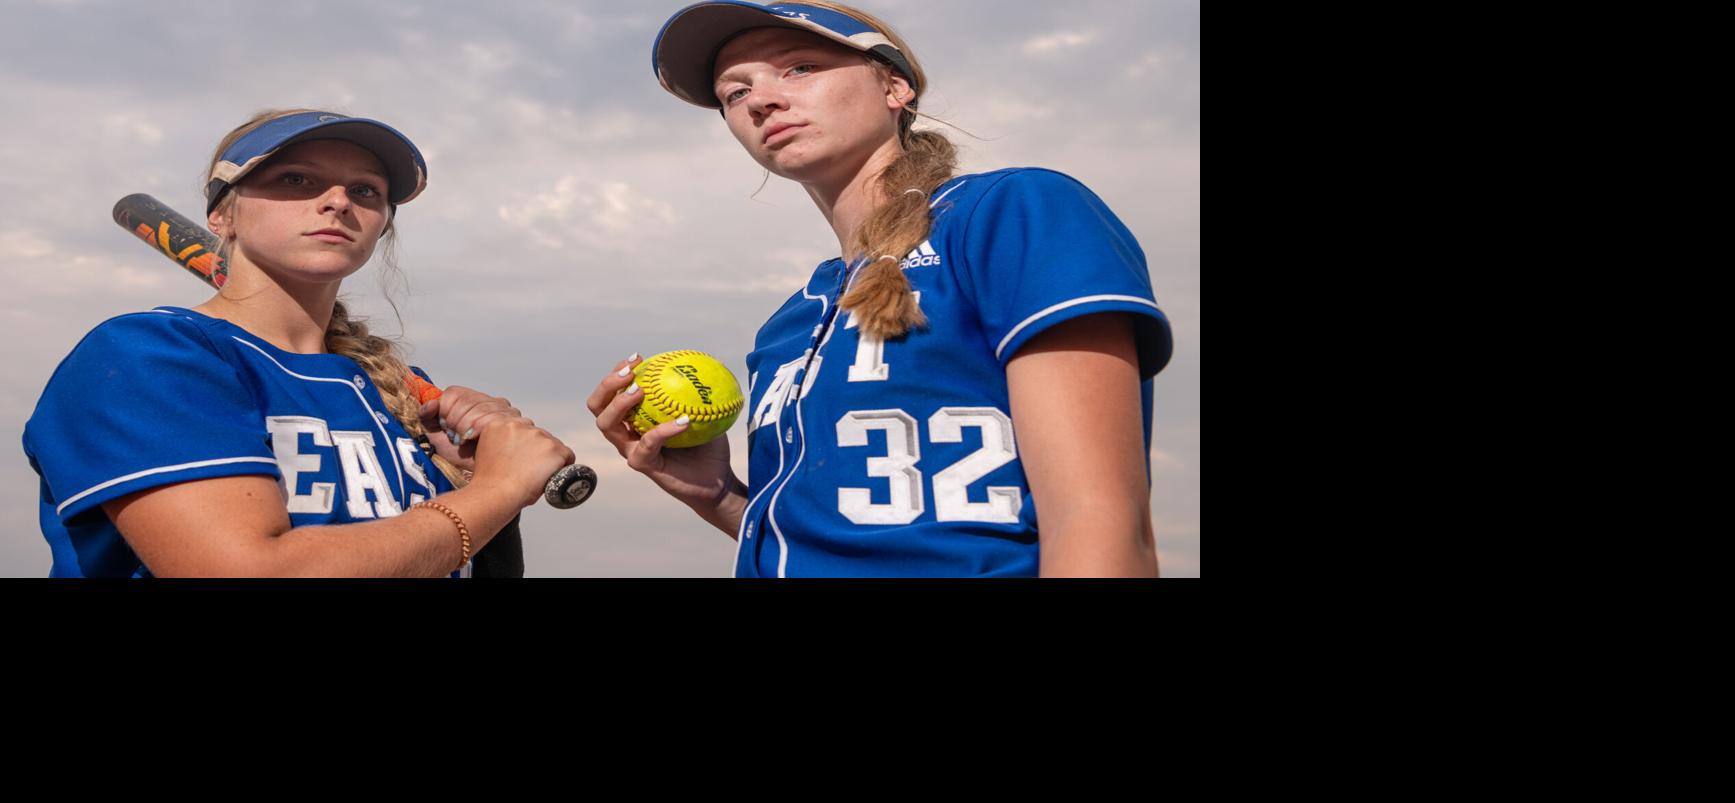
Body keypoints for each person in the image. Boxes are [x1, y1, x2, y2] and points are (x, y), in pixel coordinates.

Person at [587, 2, 1174, 577]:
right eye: (735, 93)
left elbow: (1099, 521)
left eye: (800, 68)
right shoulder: (788, 326)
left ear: (895, 87)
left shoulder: (1009, 213)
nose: (761, 100)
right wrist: (718, 496)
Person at [24, 108, 574, 577]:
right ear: (222, 214)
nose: (338, 201)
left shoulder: (399, 399)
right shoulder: (148, 356)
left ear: (381, 225)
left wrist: (475, 473)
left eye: (365, 190)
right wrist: (499, 490)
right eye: (296, 180)